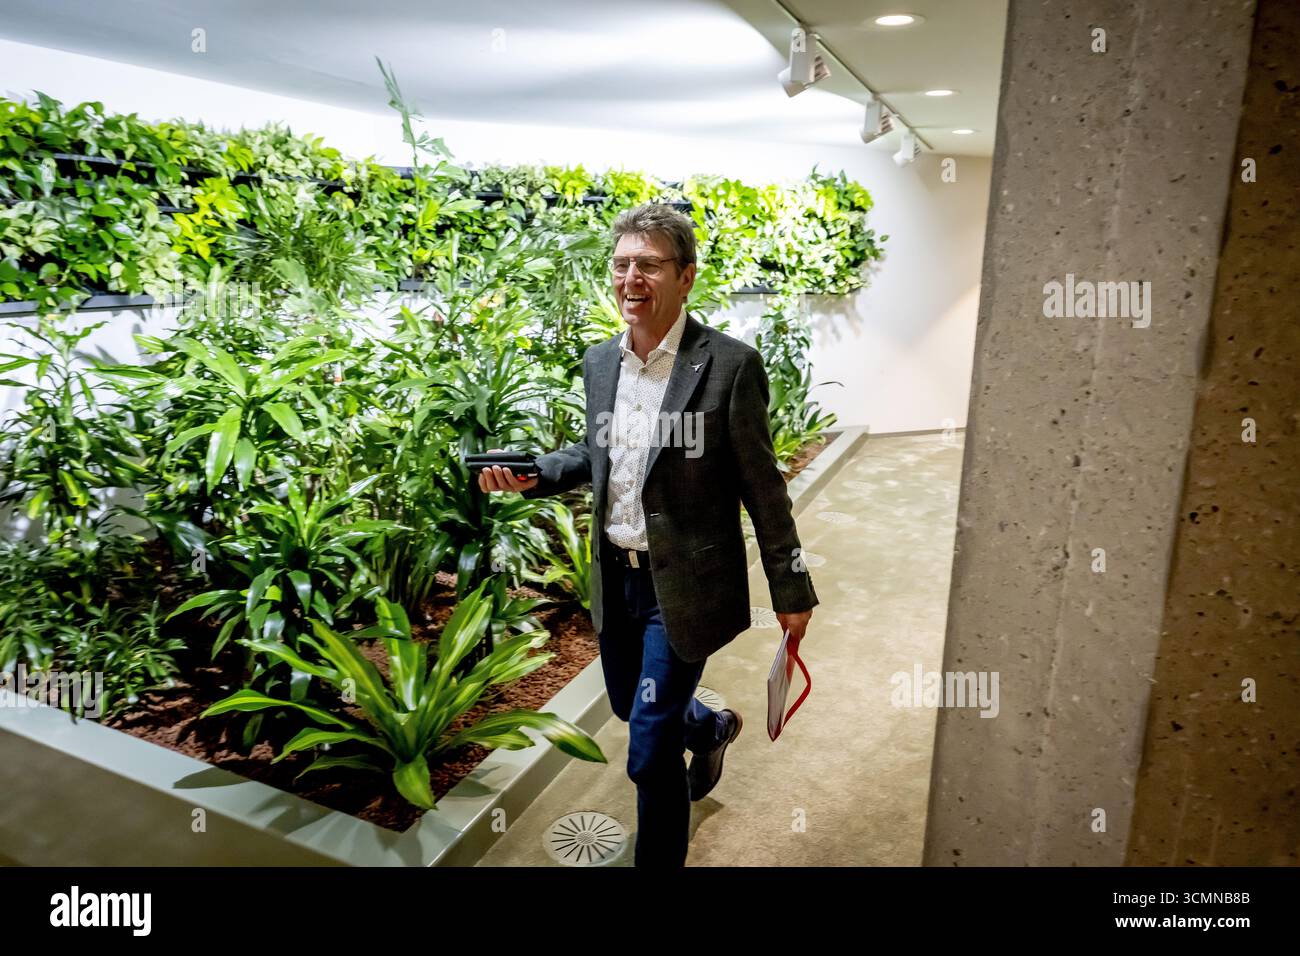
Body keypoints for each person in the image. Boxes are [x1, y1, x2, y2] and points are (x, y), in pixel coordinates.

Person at [478, 202, 816, 866]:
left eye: (649, 265)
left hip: (682, 587)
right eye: (622, 264)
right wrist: (535, 476)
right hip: (616, 577)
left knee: (646, 751)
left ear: (686, 277)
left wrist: (791, 586)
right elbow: (596, 454)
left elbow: (763, 487)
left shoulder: (728, 366)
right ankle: (711, 726)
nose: (631, 278)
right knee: (640, 708)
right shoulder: (601, 362)